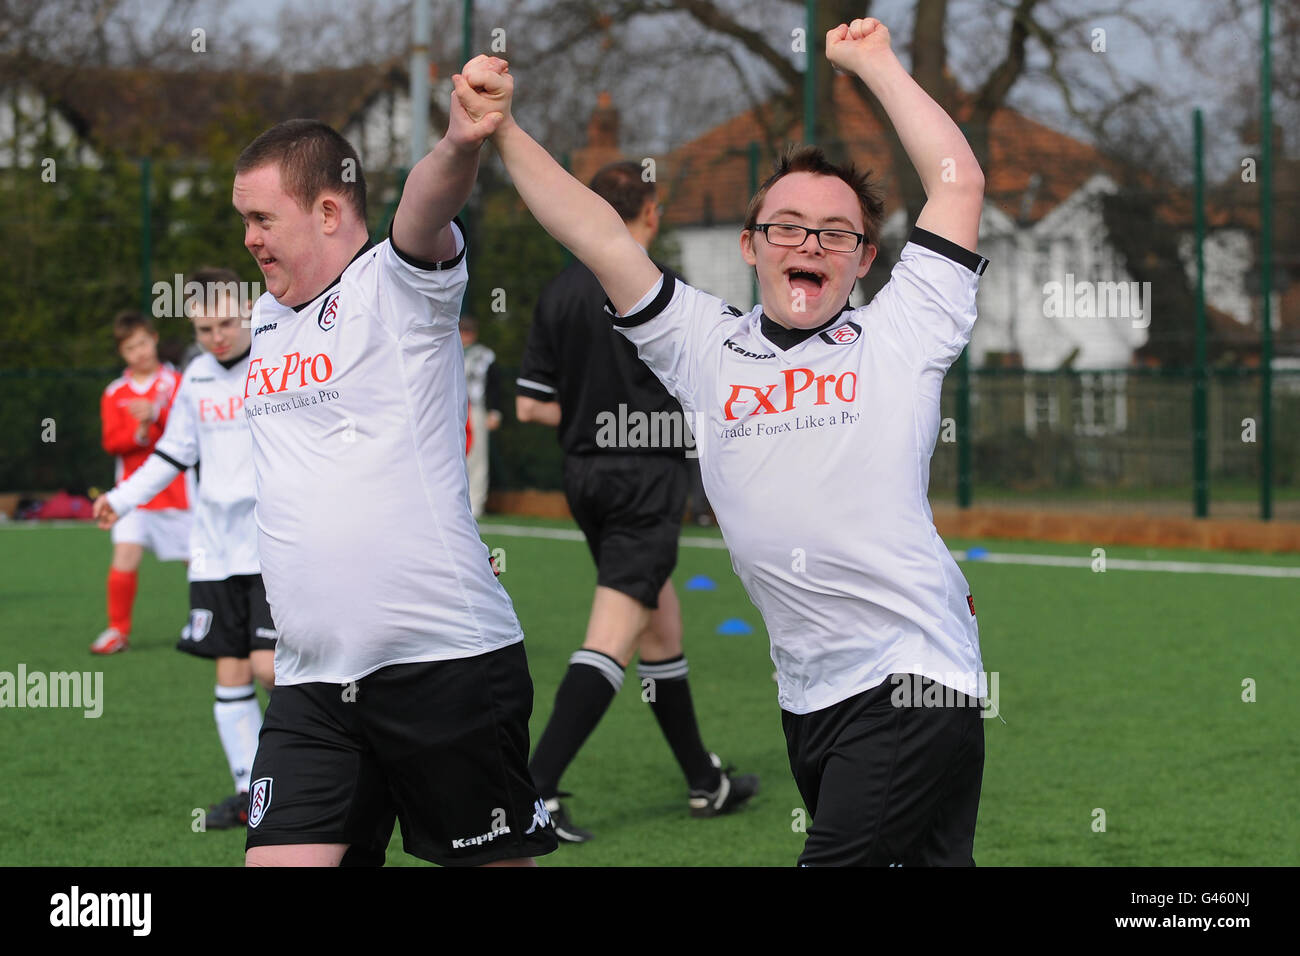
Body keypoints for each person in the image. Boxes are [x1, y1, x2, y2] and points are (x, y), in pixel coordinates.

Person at [457, 17, 989, 866]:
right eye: (786, 226)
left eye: (836, 233)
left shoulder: (902, 335)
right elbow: (595, 233)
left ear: (862, 263)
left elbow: (957, 186)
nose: (809, 242)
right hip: (812, 696)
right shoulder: (705, 346)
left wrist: (877, 65)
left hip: (911, 679)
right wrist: (505, 131)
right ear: (750, 247)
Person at [232, 86, 555, 866]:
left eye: (263, 218)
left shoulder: (399, 286)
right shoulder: (268, 320)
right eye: (243, 219)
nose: (248, 238)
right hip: (313, 684)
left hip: (442, 665)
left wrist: (458, 143)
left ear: (331, 213)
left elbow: (423, 207)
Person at [516, 161, 757, 841]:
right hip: (644, 481)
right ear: (647, 213)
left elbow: (532, 406)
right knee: (615, 635)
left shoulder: (558, 292)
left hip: (584, 478)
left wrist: (591, 417)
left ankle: (704, 783)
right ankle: (534, 793)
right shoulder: (657, 293)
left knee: (660, 627)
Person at [94, 270, 274, 829]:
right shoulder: (194, 378)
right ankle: (253, 794)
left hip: (273, 545)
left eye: (225, 323)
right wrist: (121, 499)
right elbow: (173, 455)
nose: (217, 335)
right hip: (216, 549)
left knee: (272, 668)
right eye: (203, 328)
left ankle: (321, 773)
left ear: (248, 312)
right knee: (231, 669)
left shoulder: (279, 361)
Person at [92, 311, 191, 655]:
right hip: (132, 495)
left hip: (179, 492)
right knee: (125, 554)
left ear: (155, 339)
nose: (140, 352)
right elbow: (112, 443)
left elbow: (188, 434)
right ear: (123, 353)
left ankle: (205, 622)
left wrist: (158, 415)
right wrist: (139, 429)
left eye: (144, 343)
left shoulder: (179, 383)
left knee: (198, 560)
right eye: (131, 347)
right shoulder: (115, 392)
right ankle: (117, 630)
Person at [459, 315, 500, 517]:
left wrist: (494, 412)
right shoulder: (447, 350)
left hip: (475, 409)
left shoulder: (485, 355)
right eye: (462, 330)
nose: (465, 335)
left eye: (468, 331)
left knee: (477, 457)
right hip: (450, 410)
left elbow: (494, 386)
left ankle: (475, 504)